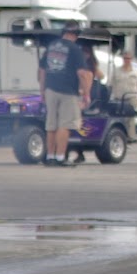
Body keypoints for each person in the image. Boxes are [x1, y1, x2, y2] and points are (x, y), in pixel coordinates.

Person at [37, 22, 92, 167]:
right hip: (68, 91)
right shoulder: (75, 49)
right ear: (76, 34)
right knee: (64, 125)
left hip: (50, 89)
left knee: (51, 125)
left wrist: (42, 90)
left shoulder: (51, 46)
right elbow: (82, 73)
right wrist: (86, 94)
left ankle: (50, 157)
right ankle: (61, 157)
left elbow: (42, 70)